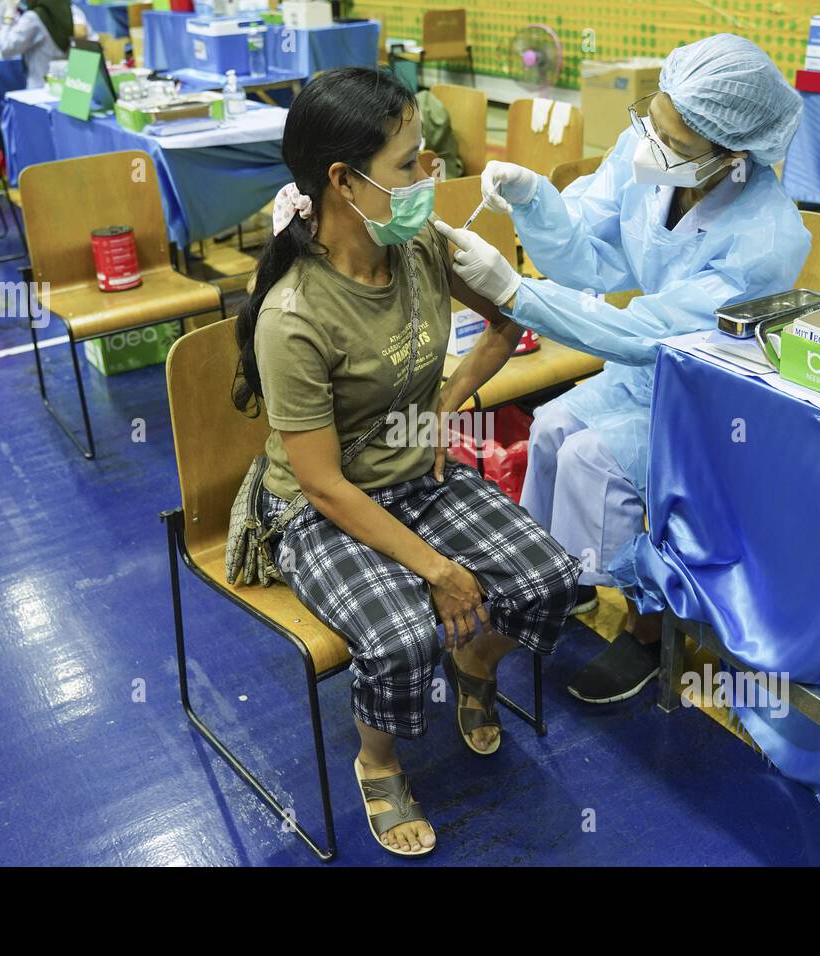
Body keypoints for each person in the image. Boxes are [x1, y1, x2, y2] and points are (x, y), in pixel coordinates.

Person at [236, 68, 580, 856]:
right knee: (399, 638)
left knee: (553, 580)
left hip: (414, 475)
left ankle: (475, 670)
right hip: (321, 509)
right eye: (408, 164)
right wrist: (439, 570)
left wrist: (448, 401)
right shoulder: (294, 317)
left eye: (427, 156)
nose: (431, 176)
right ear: (340, 181)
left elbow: (504, 321)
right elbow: (320, 482)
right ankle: (379, 762)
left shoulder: (418, 242)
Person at [436, 34, 811, 705]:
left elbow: (647, 332)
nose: (651, 144)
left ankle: (644, 628)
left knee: (593, 463)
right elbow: (588, 255)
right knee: (550, 429)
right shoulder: (657, 158)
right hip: (646, 370)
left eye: (676, 138)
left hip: (711, 390)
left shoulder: (765, 240)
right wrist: (534, 200)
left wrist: (516, 293)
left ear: (733, 154)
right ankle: (565, 581)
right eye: (654, 119)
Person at [0, 0, 73, 89]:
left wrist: (9, 14)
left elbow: (6, 49)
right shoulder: (68, 11)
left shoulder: (34, 17)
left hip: (38, 86)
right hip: (60, 84)